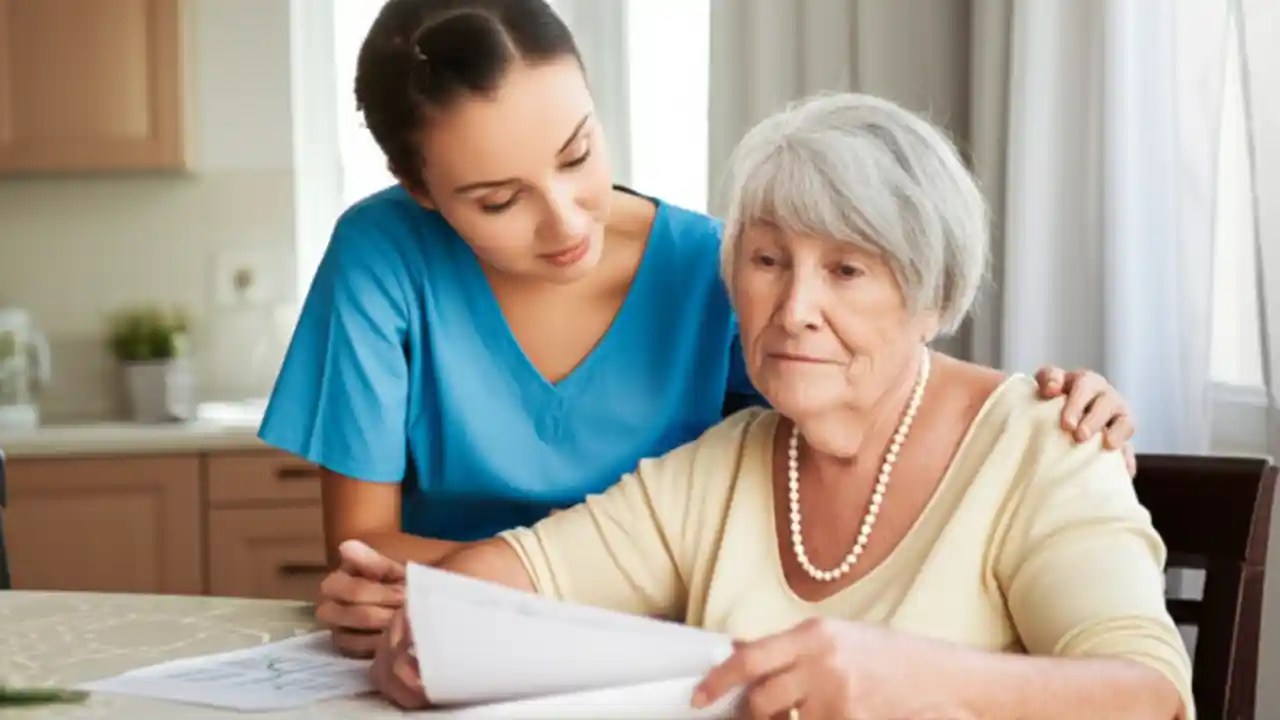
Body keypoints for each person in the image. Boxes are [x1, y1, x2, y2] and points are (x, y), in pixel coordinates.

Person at [262, 0, 1140, 659]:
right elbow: (366, 550)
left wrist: (1046, 409)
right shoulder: (383, 258)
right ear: (421, 192)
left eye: (577, 156)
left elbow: (873, 398)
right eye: (498, 200)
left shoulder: (721, 267)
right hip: (507, 644)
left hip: (634, 652)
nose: (566, 222)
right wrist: (582, 579)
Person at [365, 92, 1193, 719]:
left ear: (934, 297)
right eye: (767, 259)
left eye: (846, 270)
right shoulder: (723, 464)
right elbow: (502, 582)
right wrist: (424, 637)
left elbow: (1149, 695)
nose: (792, 307)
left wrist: (909, 677)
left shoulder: (1041, 445)